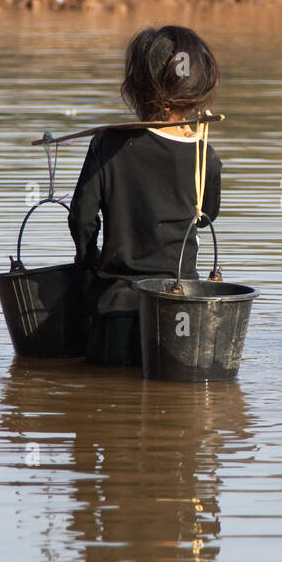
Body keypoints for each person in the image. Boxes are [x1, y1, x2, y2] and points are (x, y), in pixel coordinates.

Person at [68, 25, 222, 365]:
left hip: (116, 310)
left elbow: (81, 217)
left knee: (107, 399)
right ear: (199, 88)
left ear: (136, 86)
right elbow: (206, 216)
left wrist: (87, 259)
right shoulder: (203, 157)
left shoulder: (107, 146)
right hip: (179, 312)